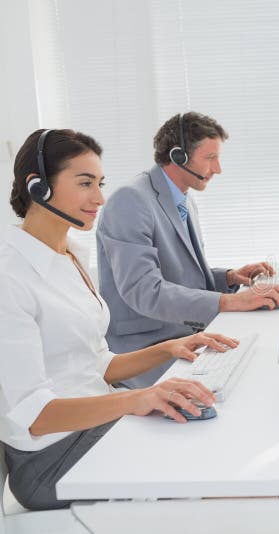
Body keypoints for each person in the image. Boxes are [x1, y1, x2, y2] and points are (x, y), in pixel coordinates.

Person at [0, 129, 237, 511]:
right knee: (204, 462)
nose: (99, 198)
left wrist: (170, 348)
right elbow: (35, 416)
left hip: (91, 423)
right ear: (38, 186)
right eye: (84, 183)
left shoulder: (70, 254)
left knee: (212, 433)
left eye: (100, 183)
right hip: (51, 459)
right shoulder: (10, 277)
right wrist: (136, 399)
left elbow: (95, 364)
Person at [96, 112, 279, 388]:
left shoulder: (181, 197)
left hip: (183, 335)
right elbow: (144, 291)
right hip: (147, 349)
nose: (218, 169)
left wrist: (228, 278)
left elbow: (177, 275)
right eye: (210, 158)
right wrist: (229, 302)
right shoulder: (131, 200)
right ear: (178, 156)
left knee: (261, 363)